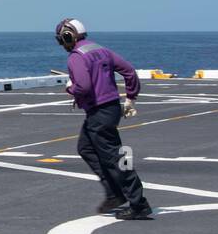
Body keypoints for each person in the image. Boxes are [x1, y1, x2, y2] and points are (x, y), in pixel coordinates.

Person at [57, 18, 152, 220]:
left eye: (61, 40)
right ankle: (114, 193)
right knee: (86, 148)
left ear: (67, 37)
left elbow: (83, 86)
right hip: (109, 108)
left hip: (99, 113)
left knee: (115, 159)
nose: (62, 44)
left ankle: (138, 203)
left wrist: (71, 89)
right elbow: (129, 71)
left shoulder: (76, 56)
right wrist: (131, 98)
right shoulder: (101, 50)